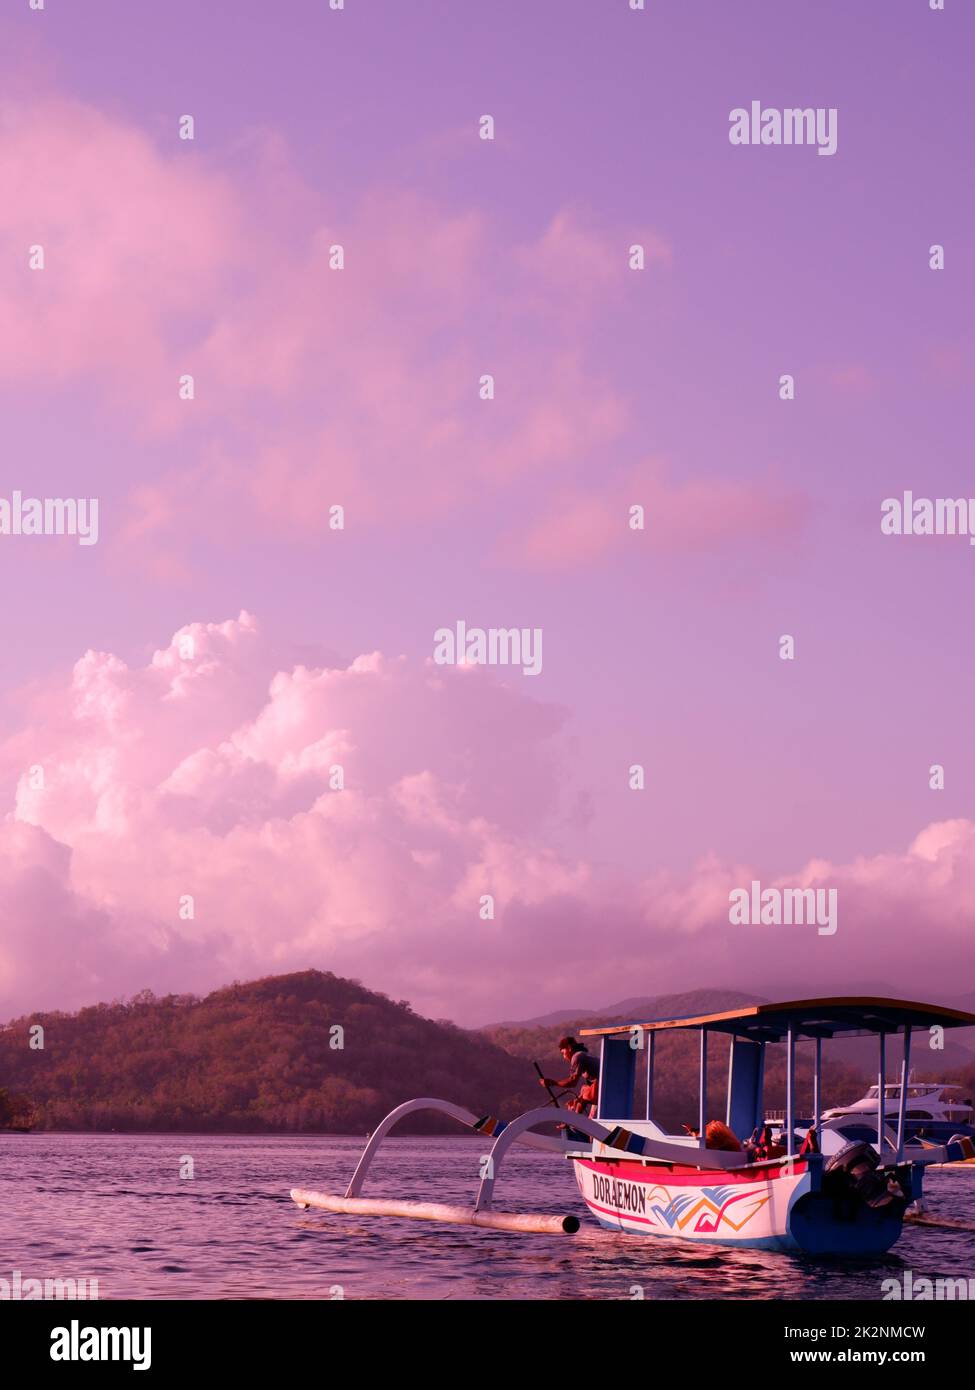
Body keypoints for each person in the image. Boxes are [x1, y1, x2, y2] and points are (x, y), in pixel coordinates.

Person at [538, 1036, 600, 1116]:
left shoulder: (577, 1056)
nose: (564, 1057)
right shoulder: (584, 1055)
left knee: (584, 1092)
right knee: (583, 1091)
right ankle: (573, 1121)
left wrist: (552, 1083)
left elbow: (572, 1082)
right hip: (603, 1086)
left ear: (569, 1048)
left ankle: (573, 1122)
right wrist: (577, 1100)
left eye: (563, 1053)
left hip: (605, 1087)